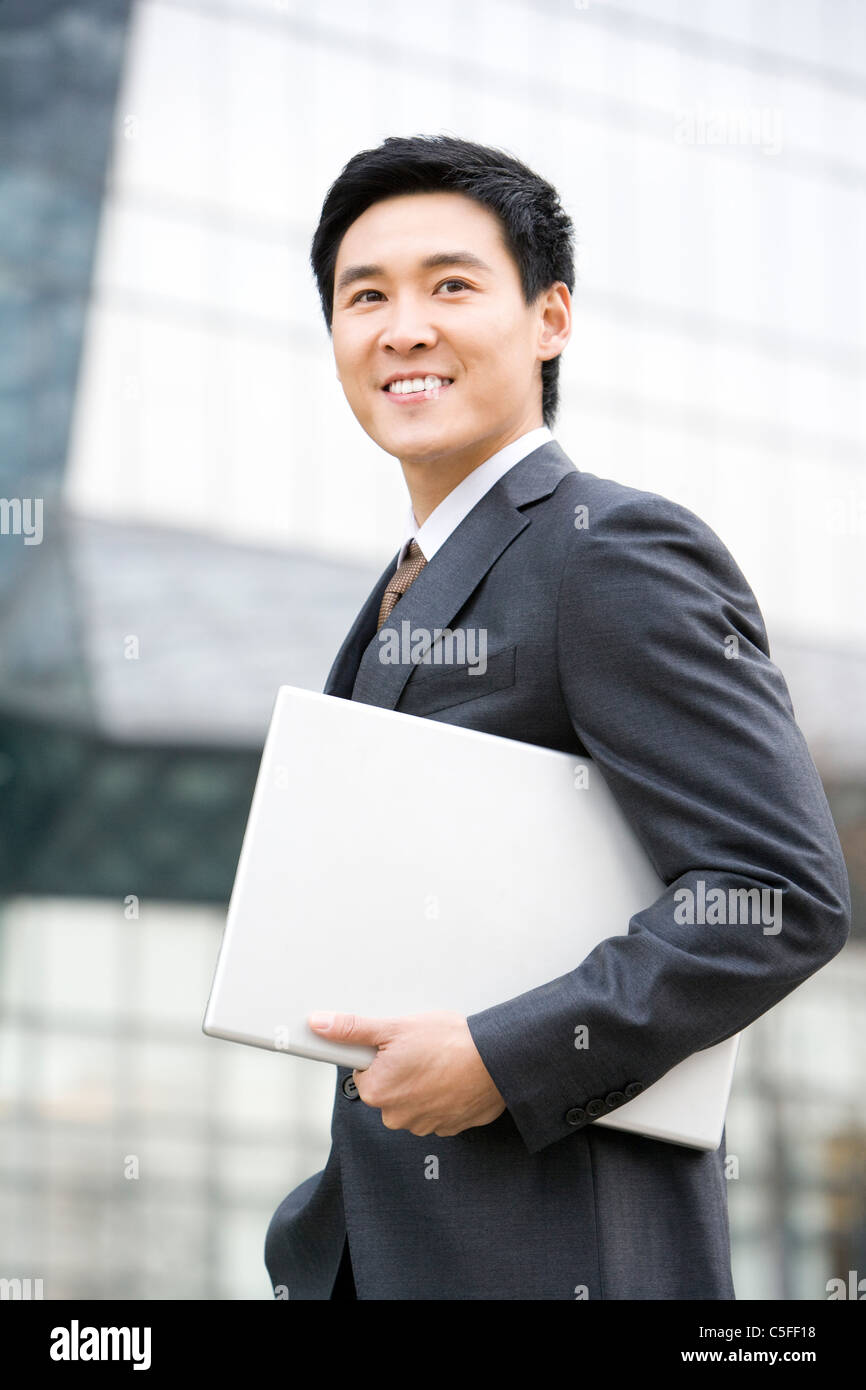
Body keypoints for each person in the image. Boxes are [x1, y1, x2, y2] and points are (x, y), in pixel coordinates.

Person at [264, 134, 851, 1301]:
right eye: (362, 295)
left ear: (549, 318)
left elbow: (774, 891)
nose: (402, 326)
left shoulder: (608, 551)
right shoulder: (410, 581)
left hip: (561, 1254)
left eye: (450, 285)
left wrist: (496, 1057)